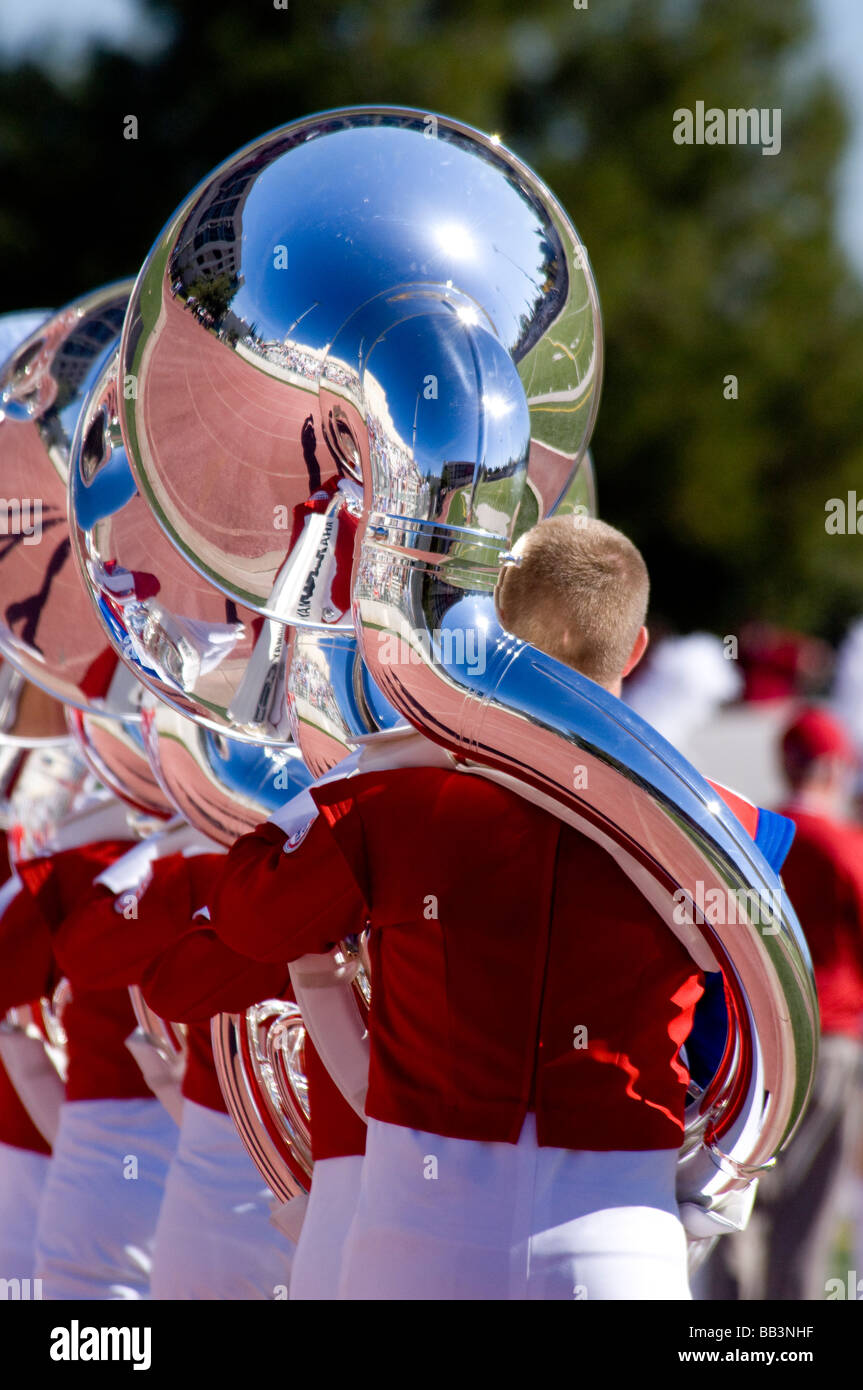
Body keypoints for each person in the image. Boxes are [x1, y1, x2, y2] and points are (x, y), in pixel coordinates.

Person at [207, 516, 778, 1300]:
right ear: (636, 649)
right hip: (618, 1238)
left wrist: (333, 780)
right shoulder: (733, 831)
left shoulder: (388, 801)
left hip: (420, 1239)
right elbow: (755, 1041)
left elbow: (248, 917)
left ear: (495, 633)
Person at [704, 706, 863, 1300]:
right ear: (831, 766)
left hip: (755, 1042)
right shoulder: (847, 842)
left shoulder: (752, 836)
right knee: (806, 1219)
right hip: (832, 1043)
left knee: (736, 1193)